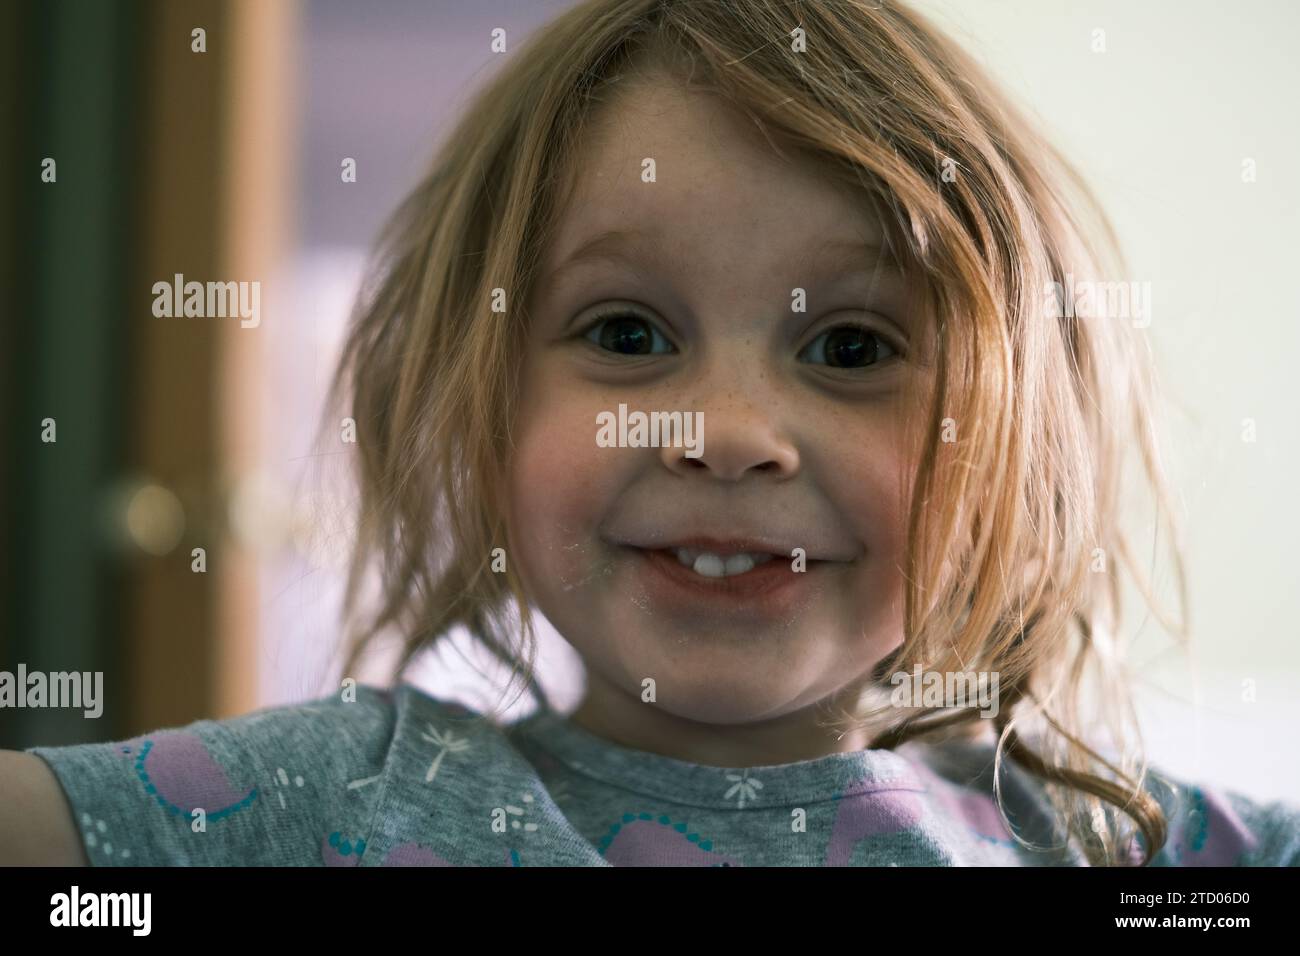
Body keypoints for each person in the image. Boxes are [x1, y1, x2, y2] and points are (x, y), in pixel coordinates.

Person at [3, 0, 1296, 867]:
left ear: (1023, 438)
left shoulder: (1111, 843)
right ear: (482, 412)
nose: (727, 433)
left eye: (850, 349)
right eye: (628, 335)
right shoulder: (333, 799)